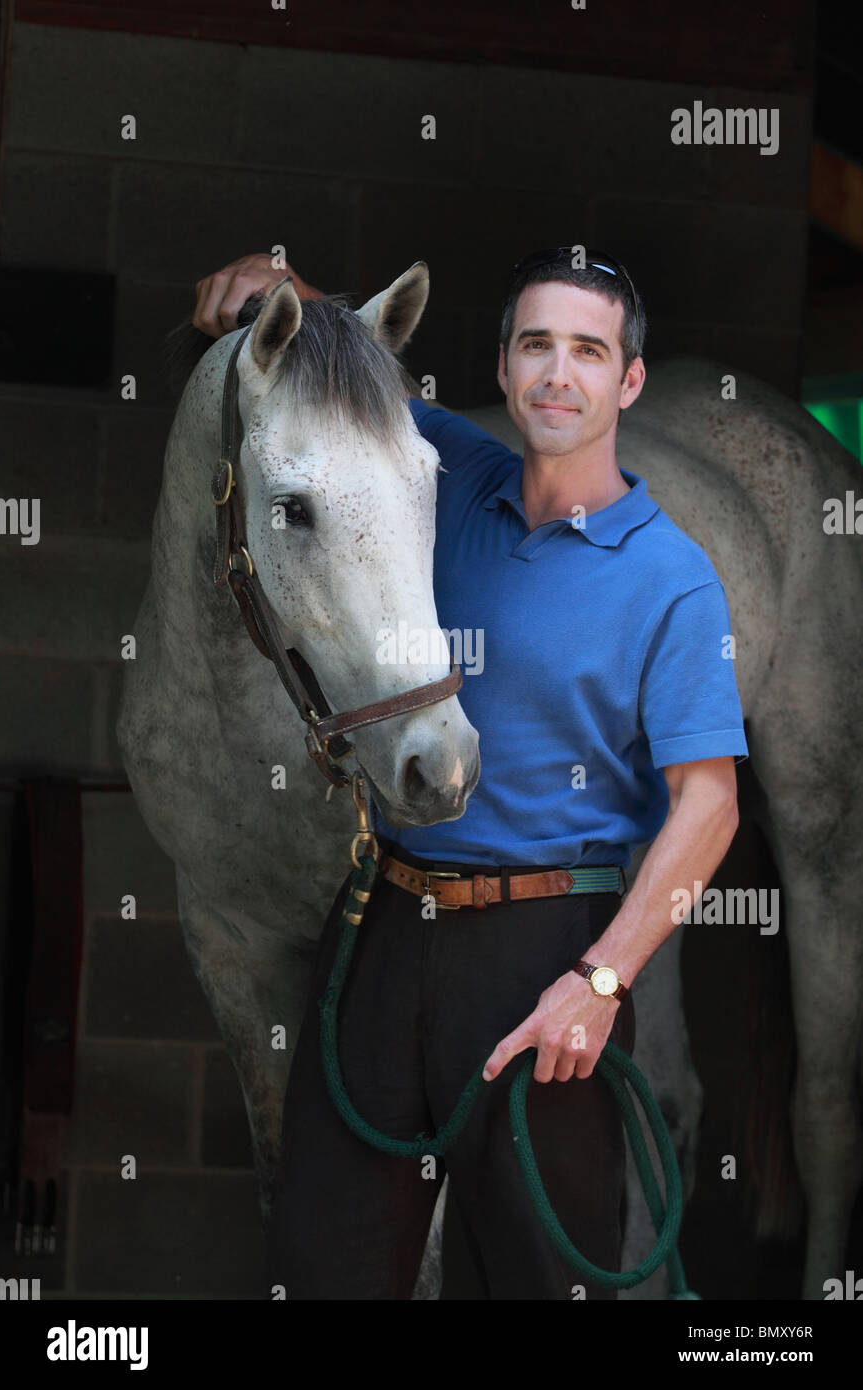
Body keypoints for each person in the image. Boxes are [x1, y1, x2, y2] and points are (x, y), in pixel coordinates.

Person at [193, 247, 748, 1299]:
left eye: (587, 351)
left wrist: (600, 981)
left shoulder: (670, 579)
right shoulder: (438, 472)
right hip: (385, 928)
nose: (555, 373)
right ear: (499, 366)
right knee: (321, 1265)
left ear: (627, 381)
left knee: (527, 1281)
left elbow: (708, 807)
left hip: (543, 956)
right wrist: (287, 284)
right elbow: (357, 378)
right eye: (534, 344)